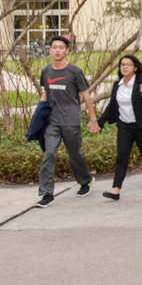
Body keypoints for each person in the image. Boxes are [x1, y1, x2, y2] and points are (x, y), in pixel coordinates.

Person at [35, 35, 99, 208]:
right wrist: (39, 113)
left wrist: (93, 120)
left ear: (67, 51)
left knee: (74, 155)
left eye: (61, 47)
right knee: (49, 154)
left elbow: (85, 96)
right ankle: (47, 194)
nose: (57, 50)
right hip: (52, 121)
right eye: (54, 47)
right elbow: (45, 92)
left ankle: (85, 180)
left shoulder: (74, 71)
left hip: (70, 121)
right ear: (49, 50)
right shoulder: (46, 71)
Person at [97, 54, 142, 200]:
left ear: (135, 68)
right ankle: (116, 189)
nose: (124, 67)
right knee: (121, 157)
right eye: (122, 65)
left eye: (128, 64)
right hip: (124, 126)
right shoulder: (117, 85)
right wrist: (100, 123)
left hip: (141, 127)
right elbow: (112, 106)